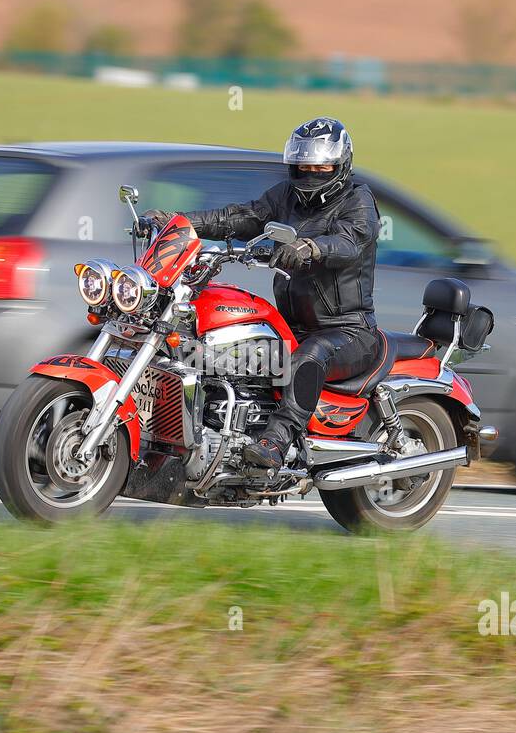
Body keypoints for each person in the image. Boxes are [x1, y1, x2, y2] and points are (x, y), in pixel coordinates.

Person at [141, 117, 380, 469]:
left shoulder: (358, 201)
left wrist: (310, 247)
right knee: (220, 345)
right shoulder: (286, 197)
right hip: (292, 324)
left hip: (347, 331)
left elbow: (348, 241)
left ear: (340, 164)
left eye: (320, 164)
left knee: (310, 355)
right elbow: (240, 217)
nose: (310, 171)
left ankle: (275, 441)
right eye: (303, 164)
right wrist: (179, 221)